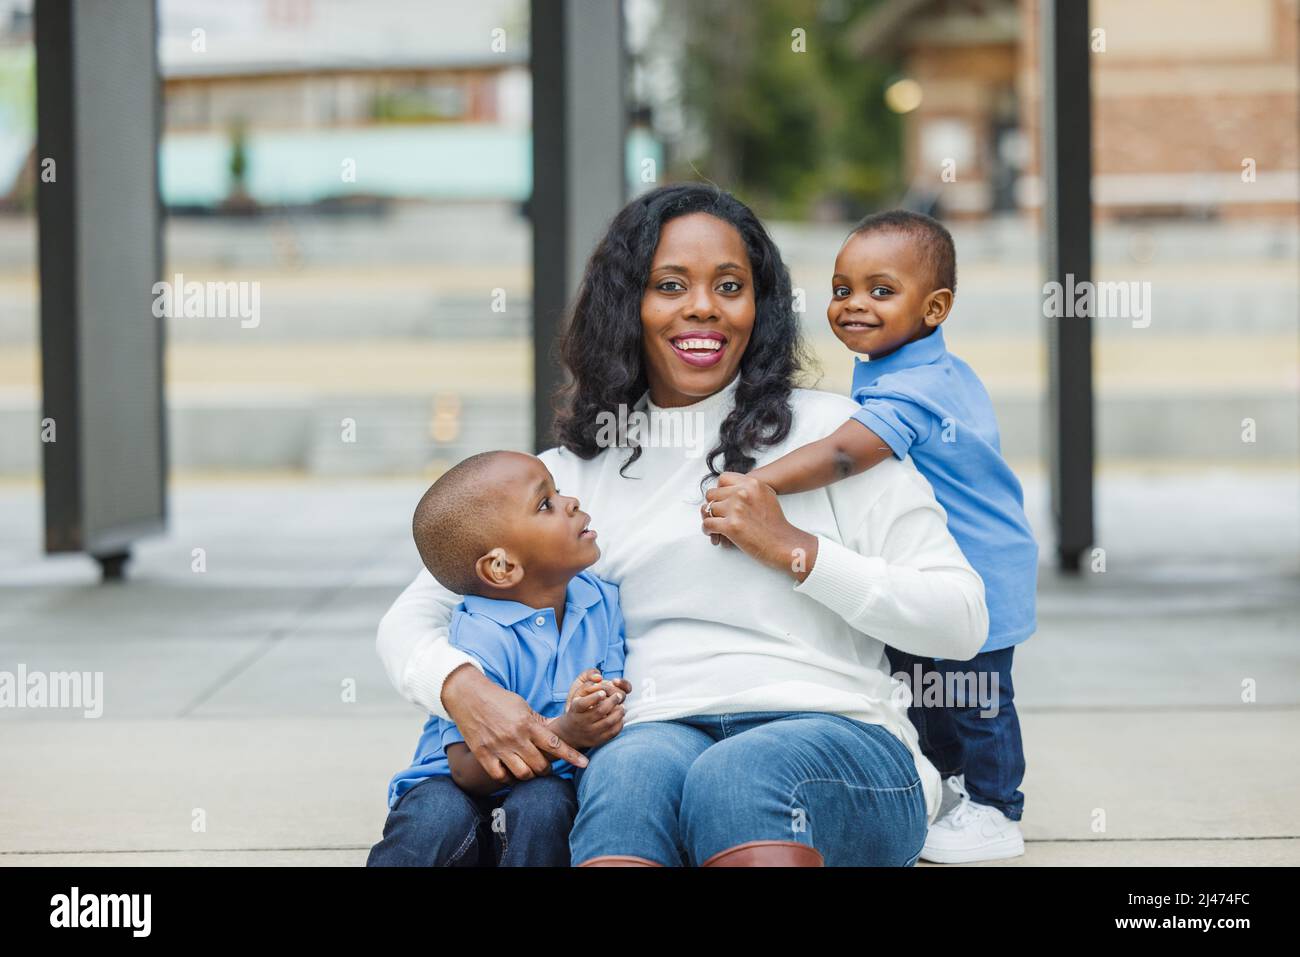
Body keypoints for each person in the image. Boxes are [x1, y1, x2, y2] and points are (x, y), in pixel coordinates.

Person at [376, 184, 988, 867]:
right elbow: (412, 616)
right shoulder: (568, 476)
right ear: (628, 304)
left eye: (730, 285)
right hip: (657, 732)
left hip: (837, 733)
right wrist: (463, 686)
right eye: (671, 284)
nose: (703, 306)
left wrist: (796, 549)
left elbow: (961, 618)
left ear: (760, 306)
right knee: (624, 775)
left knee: (737, 775)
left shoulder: (837, 438)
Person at [744, 210, 1037, 863]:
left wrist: (758, 485)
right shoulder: (903, 365)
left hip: (980, 568)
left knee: (975, 696)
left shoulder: (917, 384)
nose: (853, 306)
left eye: (881, 291)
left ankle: (997, 809)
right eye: (841, 289)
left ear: (935, 307)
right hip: (931, 569)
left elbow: (849, 452)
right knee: (922, 680)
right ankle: (952, 784)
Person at [366, 450, 630, 866]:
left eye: (558, 493)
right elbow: (467, 770)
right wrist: (567, 730)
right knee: (435, 816)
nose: (571, 503)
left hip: (545, 786)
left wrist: (601, 701)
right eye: (546, 504)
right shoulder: (478, 633)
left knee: (545, 806)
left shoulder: (601, 601)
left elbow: (611, 694)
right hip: (455, 786)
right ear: (502, 567)